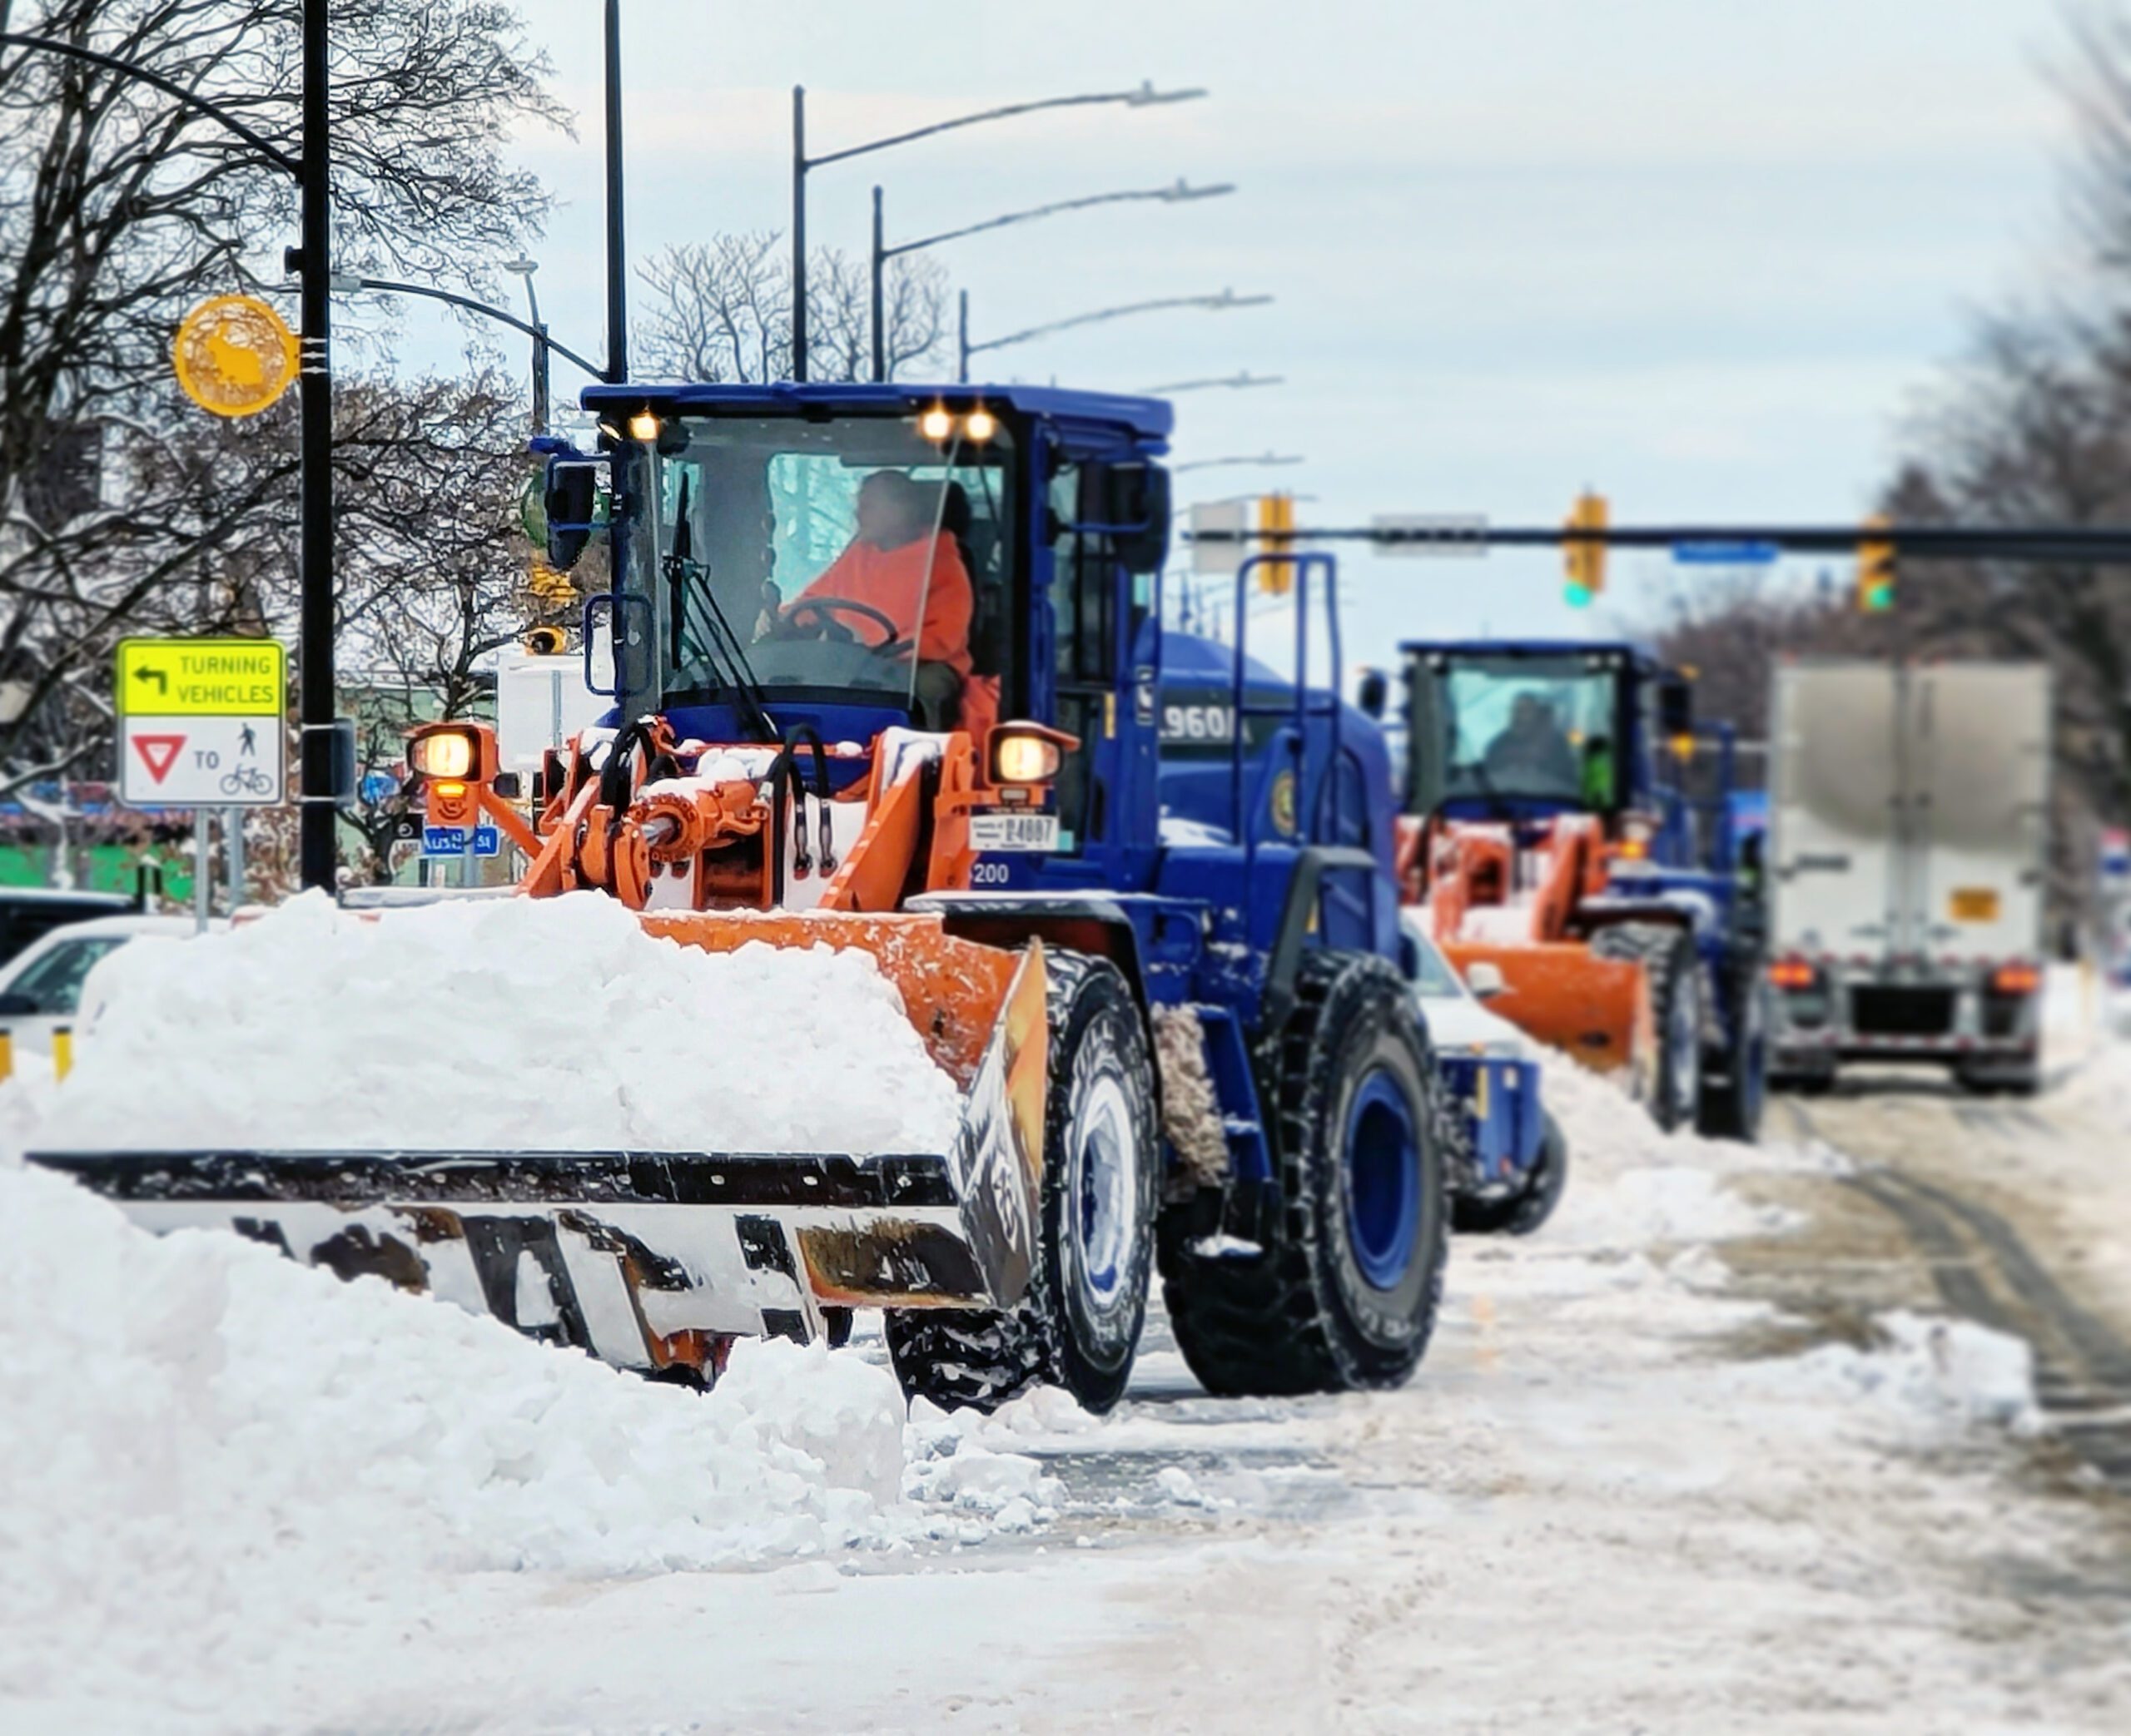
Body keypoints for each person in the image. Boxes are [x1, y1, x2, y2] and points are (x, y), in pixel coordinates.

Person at [763, 471, 976, 729]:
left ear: (902, 510)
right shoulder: (859, 553)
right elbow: (818, 598)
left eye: (869, 506)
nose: (858, 514)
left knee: (918, 691)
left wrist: (881, 651)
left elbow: (945, 638)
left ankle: (919, 757)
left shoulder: (942, 563)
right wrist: (787, 618)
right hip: (855, 659)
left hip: (920, 664)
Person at [1483, 692, 1578, 790]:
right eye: (1515, 710)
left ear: (1536, 714)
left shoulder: (1556, 743)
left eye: (1524, 711)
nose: (1518, 716)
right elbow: (1487, 782)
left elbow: (1568, 781)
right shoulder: (1497, 746)